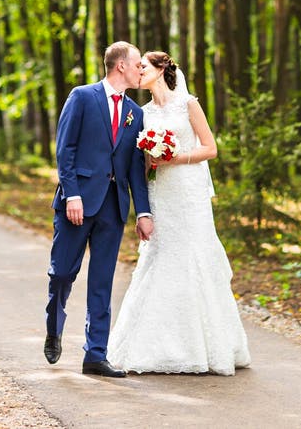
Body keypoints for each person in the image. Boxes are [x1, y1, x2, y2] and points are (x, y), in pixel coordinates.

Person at [107, 51, 251, 375]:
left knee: (194, 258)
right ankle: (155, 346)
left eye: (143, 66)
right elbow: (139, 161)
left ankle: (209, 346)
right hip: (161, 194)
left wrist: (176, 156)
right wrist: (150, 166)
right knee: (161, 257)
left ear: (161, 70)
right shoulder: (142, 114)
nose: (138, 71)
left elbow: (210, 148)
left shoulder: (188, 104)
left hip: (188, 193)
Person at [44, 41, 154, 378]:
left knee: (102, 282)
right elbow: (65, 150)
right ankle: (54, 327)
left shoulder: (137, 112)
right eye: (137, 64)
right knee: (62, 272)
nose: (141, 70)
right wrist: (72, 195)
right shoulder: (82, 96)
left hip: (113, 207)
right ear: (121, 65)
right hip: (78, 202)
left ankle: (95, 354)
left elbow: (135, 168)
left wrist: (144, 213)